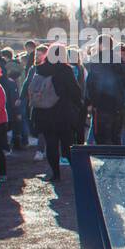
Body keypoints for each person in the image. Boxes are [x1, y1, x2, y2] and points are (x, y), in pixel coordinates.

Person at [28, 42, 83, 182]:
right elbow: (75, 91)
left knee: (51, 144)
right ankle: (78, 173)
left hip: (44, 113)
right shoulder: (65, 70)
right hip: (63, 113)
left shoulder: (39, 69)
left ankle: (55, 174)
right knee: (68, 145)